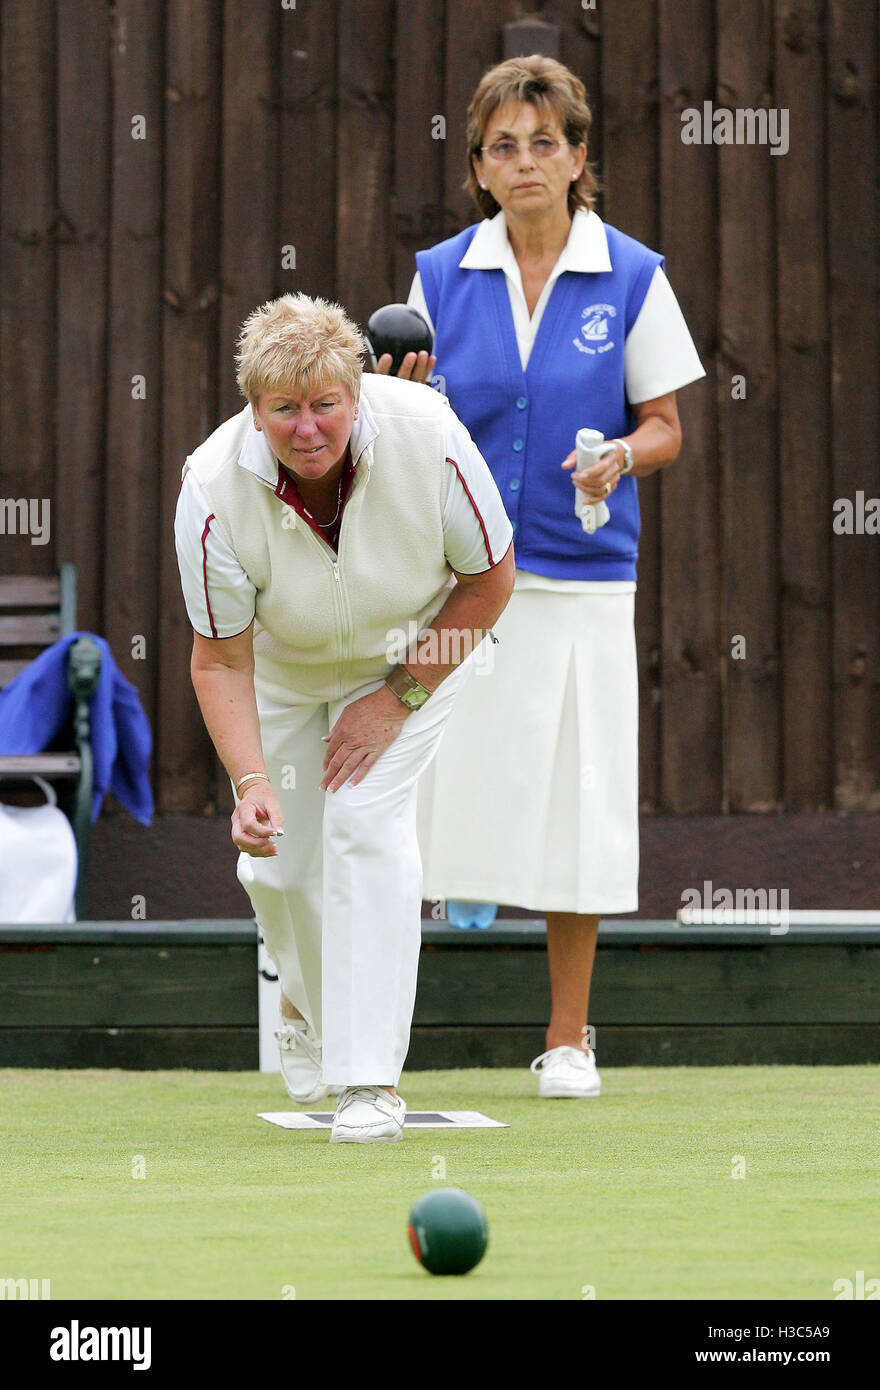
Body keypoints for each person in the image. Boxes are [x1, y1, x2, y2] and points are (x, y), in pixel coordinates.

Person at [392, 54, 705, 1099]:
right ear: (478, 168)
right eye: (502, 146)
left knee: (580, 797)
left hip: (581, 582)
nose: (524, 162)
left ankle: (568, 1038)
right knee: (408, 796)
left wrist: (622, 453)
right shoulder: (438, 277)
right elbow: (408, 417)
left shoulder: (632, 275)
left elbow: (666, 425)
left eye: (545, 142)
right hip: (457, 584)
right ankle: (358, 1033)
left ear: (579, 157)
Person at [174, 293, 514, 1142]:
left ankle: (367, 1085)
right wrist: (251, 783)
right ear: (256, 409)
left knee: (362, 822)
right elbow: (219, 656)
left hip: (413, 654)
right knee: (279, 870)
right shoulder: (211, 485)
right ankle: (302, 998)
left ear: (355, 393)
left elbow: (490, 582)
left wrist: (392, 701)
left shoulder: (430, 436)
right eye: (285, 409)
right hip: (284, 673)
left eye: (326, 404)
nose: (309, 427)